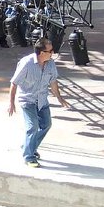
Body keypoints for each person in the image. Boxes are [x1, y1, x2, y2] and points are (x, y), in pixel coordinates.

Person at [7, 36, 69, 167]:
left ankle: (29, 145)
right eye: (50, 51)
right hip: (27, 100)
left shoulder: (51, 64)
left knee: (46, 125)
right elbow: (14, 83)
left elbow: (53, 82)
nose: (53, 53)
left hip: (42, 100)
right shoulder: (26, 63)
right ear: (41, 53)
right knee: (32, 126)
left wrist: (60, 98)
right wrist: (11, 103)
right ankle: (29, 156)